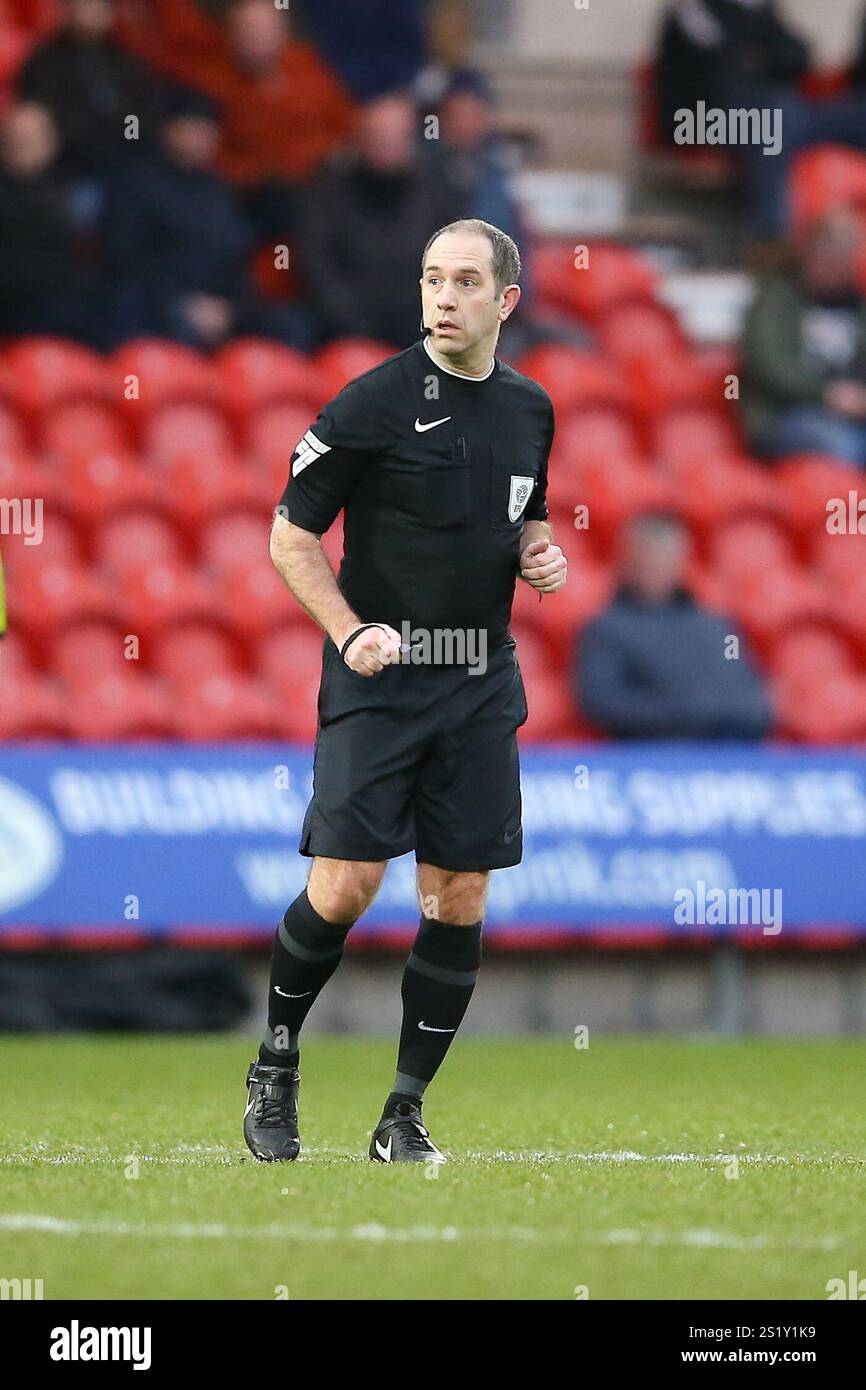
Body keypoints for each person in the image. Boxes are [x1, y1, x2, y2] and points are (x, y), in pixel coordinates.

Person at [244, 218, 567, 1164]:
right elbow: (288, 536)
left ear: (505, 301)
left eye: (465, 282)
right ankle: (276, 1058)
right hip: (380, 680)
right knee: (344, 888)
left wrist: (540, 555)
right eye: (432, 279)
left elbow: (525, 515)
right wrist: (350, 634)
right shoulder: (373, 402)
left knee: (458, 897)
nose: (443, 298)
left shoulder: (531, 408)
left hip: (480, 680)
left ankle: (403, 1113)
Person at [101, 86, 312, 349]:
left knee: (290, 323)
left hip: (224, 307)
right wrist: (184, 302)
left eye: (207, 129)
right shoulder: (137, 184)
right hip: (162, 304)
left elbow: (235, 261)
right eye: (192, 127)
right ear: (169, 130)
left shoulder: (219, 189)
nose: (200, 137)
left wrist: (230, 309)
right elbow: (123, 260)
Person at [656, 0, 866, 237]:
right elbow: (726, 62)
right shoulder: (693, 9)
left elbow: (799, 55)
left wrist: (761, 57)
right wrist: (769, 58)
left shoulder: (759, 8)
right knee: (773, 119)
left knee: (845, 113)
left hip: (782, 111)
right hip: (702, 121)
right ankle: (770, 236)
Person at [577, 512, 772, 740]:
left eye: (664, 555)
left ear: (681, 559)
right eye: (647, 554)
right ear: (628, 559)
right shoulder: (605, 629)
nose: (655, 564)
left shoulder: (714, 625)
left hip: (724, 755)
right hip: (646, 757)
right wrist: (687, 712)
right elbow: (603, 702)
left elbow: (752, 698)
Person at [298, 92, 464, 347]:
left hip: (419, 323)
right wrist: (350, 320)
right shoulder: (329, 191)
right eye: (377, 137)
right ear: (360, 139)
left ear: (411, 139)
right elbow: (317, 265)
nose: (386, 146)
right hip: (347, 326)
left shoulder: (437, 192)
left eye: (395, 137)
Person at [17, 0, 165, 225]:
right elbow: (52, 120)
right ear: (67, 10)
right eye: (84, 5)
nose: (92, 12)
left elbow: (137, 112)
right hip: (76, 168)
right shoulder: (45, 62)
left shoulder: (124, 59)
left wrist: (130, 136)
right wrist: (101, 138)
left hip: (128, 160)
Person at [742, 209, 866, 465]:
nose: (836, 271)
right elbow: (767, 365)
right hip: (783, 414)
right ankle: (847, 505)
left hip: (852, 414)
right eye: (830, 261)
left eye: (843, 263)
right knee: (846, 446)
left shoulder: (858, 303)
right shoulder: (776, 297)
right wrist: (826, 393)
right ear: (811, 255)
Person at [0, 103, 101, 343]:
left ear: (52, 144)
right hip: (16, 305)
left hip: (66, 304)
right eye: (17, 139)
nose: (25, 147)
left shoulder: (65, 191)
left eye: (35, 138)